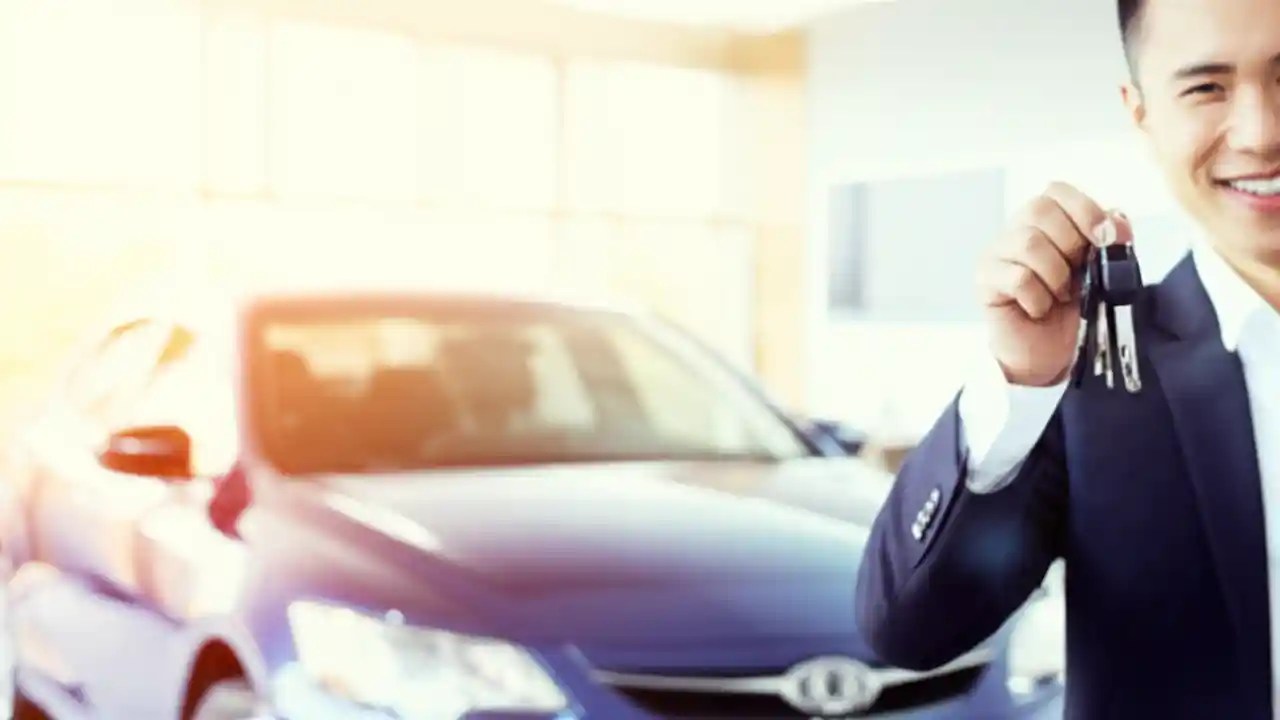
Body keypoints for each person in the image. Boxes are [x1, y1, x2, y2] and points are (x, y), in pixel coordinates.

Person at [854, 0, 1280, 717]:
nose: (1261, 132)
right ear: (1141, 113)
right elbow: (909, 627)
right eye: (1206, 87)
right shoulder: (1096, 370)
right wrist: (1023, 382)